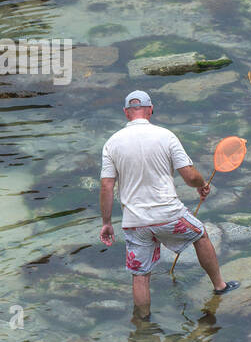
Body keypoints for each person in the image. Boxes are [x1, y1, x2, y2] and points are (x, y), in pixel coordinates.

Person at [99, 90, 239, 317]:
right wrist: (201, 184)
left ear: (126, 113)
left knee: (141, 274)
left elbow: (106, 186)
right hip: (169, 216)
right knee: (200, 234)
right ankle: (220, 286)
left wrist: (106, 222)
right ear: (150, 110)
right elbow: (189, 175)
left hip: (135, 222)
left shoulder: (111, 143)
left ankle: (143, 323)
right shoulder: (166, 136)